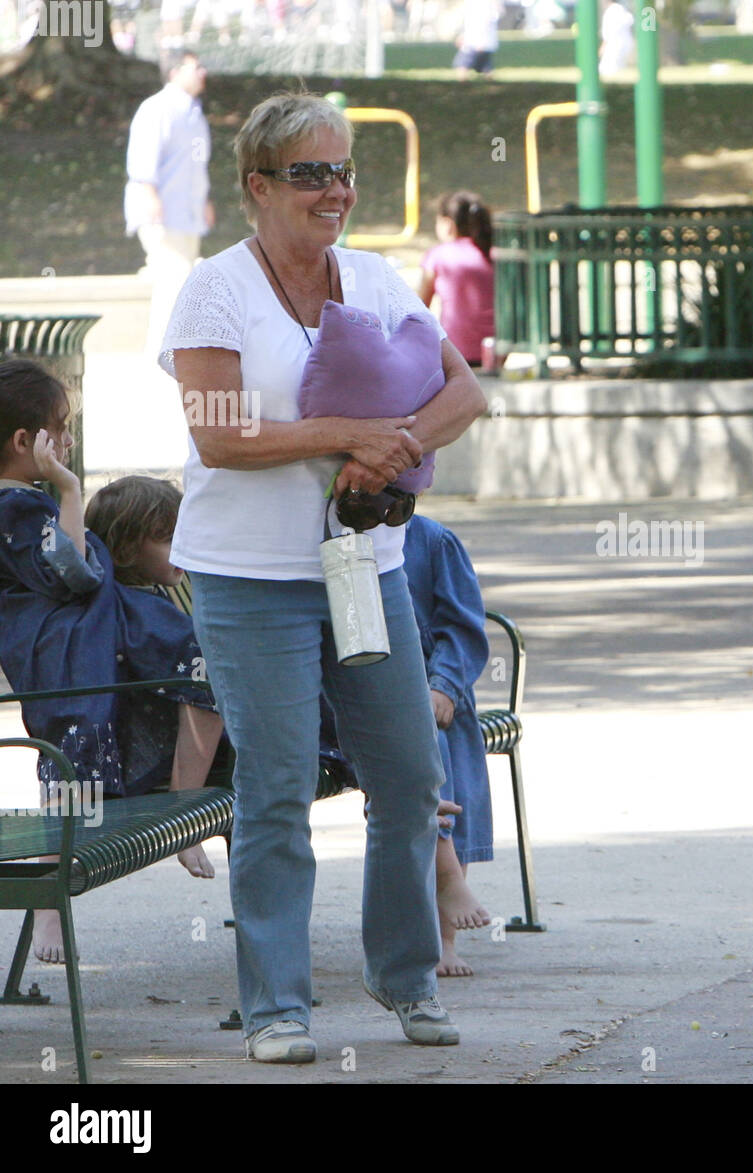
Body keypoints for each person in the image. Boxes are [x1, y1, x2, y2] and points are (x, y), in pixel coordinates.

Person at [159, 92, 486, 1063]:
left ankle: (405, 978)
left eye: (343, 170)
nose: (334, 189)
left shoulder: (378, 281)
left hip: (366, 569)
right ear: (258, 186)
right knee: (275, 787)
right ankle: (277, 1007)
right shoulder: (214, 292)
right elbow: (218, 437)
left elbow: (462, 392)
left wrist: (392, 451)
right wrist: (345, 433)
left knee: (407, 777)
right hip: (248, 578)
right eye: (310, 173)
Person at [0, 363, 224, 965]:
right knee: (88, 728)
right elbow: (72, 572)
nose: (67, 442)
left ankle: (189, 802)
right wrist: (70, 490)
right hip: (62, 645)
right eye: (61, 430)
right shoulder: (15, 509)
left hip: (87, 632)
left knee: (203, 668)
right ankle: (53, 904)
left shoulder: (25, 503)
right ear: (26, 442)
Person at [403, 514, 495, 977]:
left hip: (433, 693)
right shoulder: (331, 533)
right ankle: (448, 880)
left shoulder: (433, 541)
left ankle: (444, 937)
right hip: (357, 700)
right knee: (418, 738)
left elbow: (463, 627)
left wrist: (443, 685)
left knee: (445, 738)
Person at [124, 49, 214, 360]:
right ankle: (164, 352)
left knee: (181, 277)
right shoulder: (157, 109)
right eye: (195, 66)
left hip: (187, 215)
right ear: (174, 72)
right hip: (162, 213)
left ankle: (170, 349)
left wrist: (204, 200)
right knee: (174, 279)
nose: (202, 72)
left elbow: (196, 165)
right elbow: (143, 158)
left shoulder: (195, 113)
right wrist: (149, 195)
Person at [418, 191, 495, 367]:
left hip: (455, 354)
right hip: (496, 352)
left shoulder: (438, 256)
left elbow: (420, 308)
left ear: (447, 224)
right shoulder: (493, 252)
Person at [455, 0, 499, 79]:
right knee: (486, 66)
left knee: (462, 64)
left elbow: (481, 24)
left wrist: (480, 42)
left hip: (475, 43)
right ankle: (491, 82)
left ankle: (462, 84)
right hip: (485, 43)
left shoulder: (481, 6)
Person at [598, 0, 634, 77]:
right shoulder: (620, 9)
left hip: (615, 46)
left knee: (606, 71)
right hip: (624, 44)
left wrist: (603, 47)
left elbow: (608, 34)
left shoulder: (612, 11)